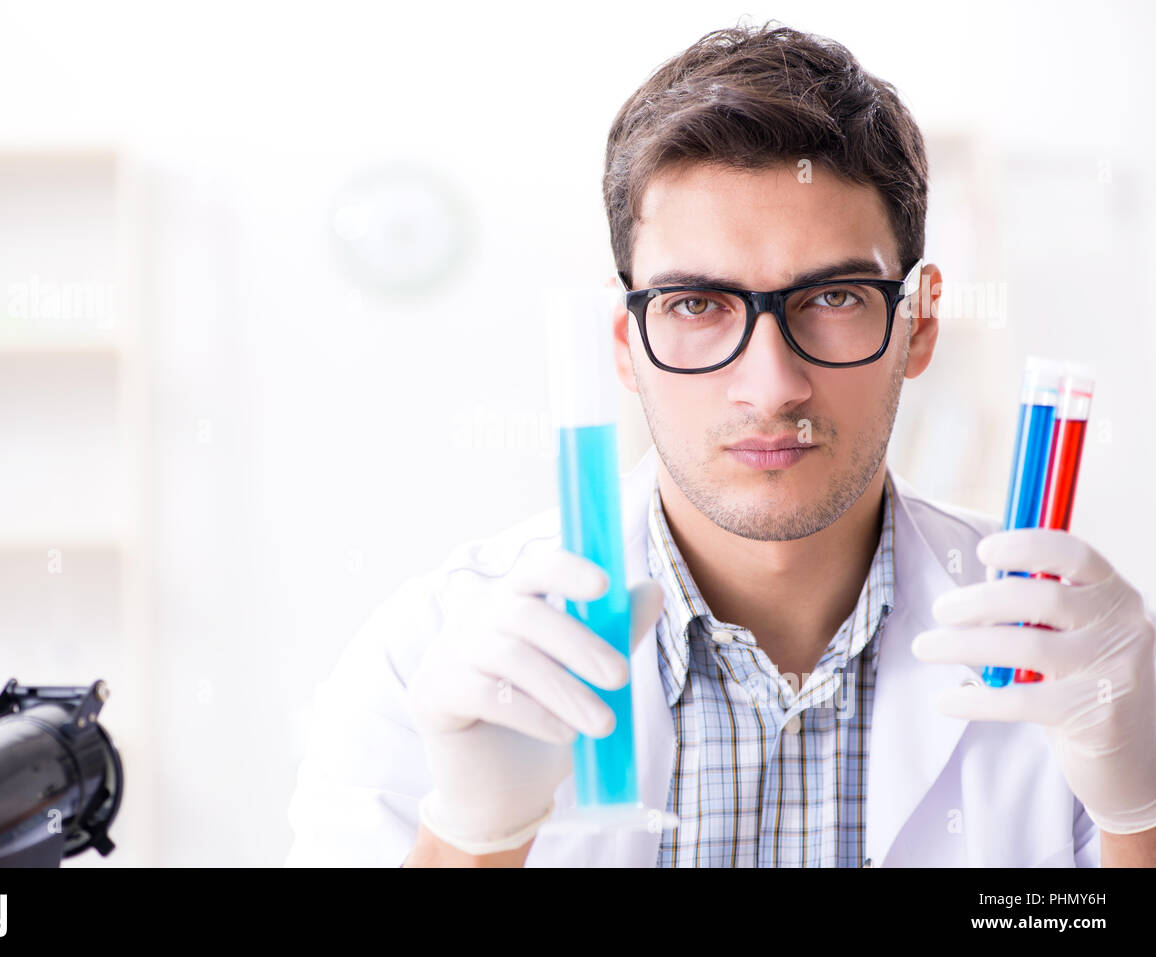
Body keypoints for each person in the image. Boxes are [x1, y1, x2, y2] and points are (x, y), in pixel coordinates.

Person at [285, 20, 1156, 867]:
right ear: (624, 345)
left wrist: (1139, 814)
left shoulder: (1077, 659)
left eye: (835, 297)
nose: (772, 385)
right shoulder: (437, 658)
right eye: (698, 305)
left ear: (919, 320)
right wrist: (474, 843)